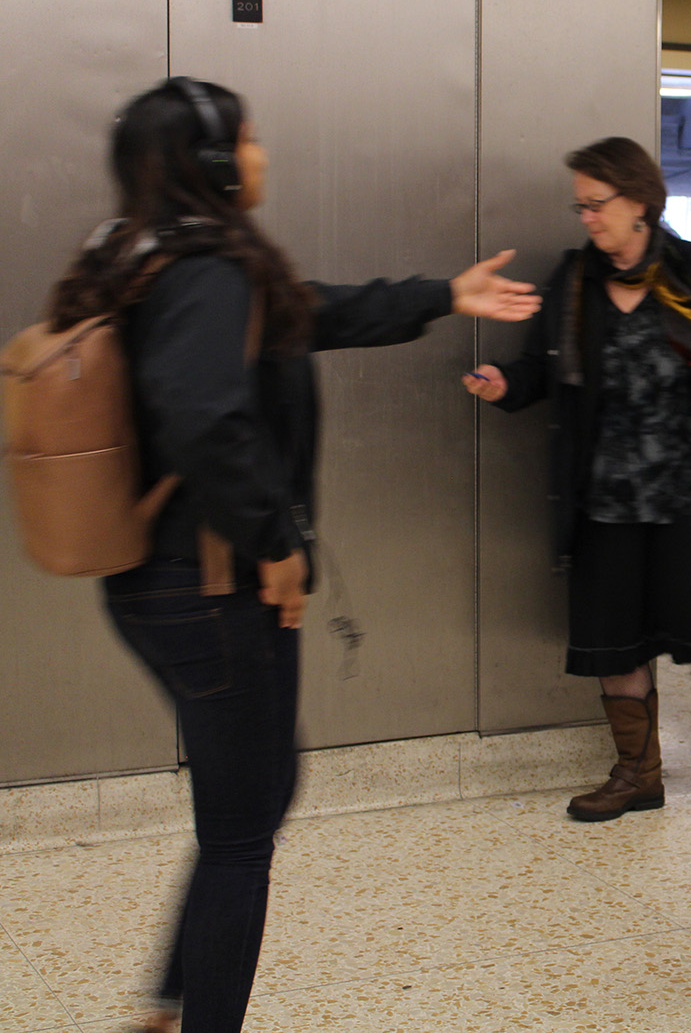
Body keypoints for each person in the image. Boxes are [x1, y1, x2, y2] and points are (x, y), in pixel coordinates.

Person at [52, 77, 538, 1033]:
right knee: (243, 829)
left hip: (152, 582)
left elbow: (305, 310)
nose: (263, 154)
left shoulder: (144, 253)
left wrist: (441, 294)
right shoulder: (206, 270)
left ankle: (167, 1007)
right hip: (211, 582)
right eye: (251, 139)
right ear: (211, 163)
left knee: (259, 790)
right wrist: (272, 541)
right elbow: (203, 414)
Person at [465, 137, 691, 819]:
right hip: (607, 494)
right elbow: (541, 370)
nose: (586, 216)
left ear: (639, 201)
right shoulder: (573, 280)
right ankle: (638, 772)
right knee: (614, 638)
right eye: (579, 205)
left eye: (596, 203)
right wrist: (504, 384)